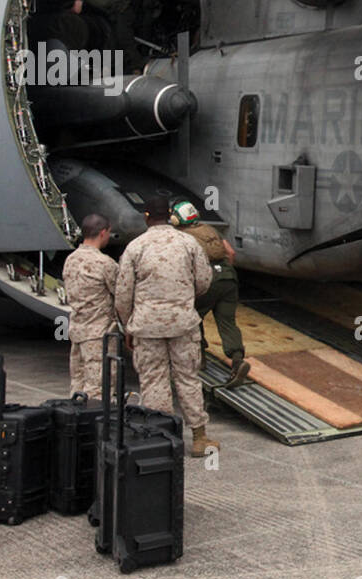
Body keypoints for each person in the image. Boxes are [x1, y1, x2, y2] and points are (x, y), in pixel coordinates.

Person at [114, 194, 219, 456]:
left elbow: (123, 294)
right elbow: (205, 281)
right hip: (183, 324)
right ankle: (199, 438)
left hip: (147, 328)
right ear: (170, 215)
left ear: (146, 216)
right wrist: (182, 298)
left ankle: (160, 439)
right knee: (188, 378)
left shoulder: (135, 247)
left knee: (153, 381)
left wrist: (128, 325)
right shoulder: (188, 243)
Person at [169, 199, 249, 388]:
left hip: (208, 279)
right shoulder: (210, 230)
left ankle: (200, 358)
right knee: (228, 323)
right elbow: (230, 253)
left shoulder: (183, 237)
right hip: (228, 278)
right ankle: (238, 361)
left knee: (193, 317)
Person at [61, 213, 118, 398]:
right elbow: (121, 293)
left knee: (77, 386)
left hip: (77, 332)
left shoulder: (71, 260)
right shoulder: (104, 263)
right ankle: (97, 426)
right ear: (103, 233)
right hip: (98, 336)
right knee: (98, 390)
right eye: (109, 233)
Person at [69, 0, 145, 71]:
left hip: (121, 12)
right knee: (117, 39)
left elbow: (77, 9)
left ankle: (138, 66)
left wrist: (66, 13)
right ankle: (123, 65)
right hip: (126, 10)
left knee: (124, 39)